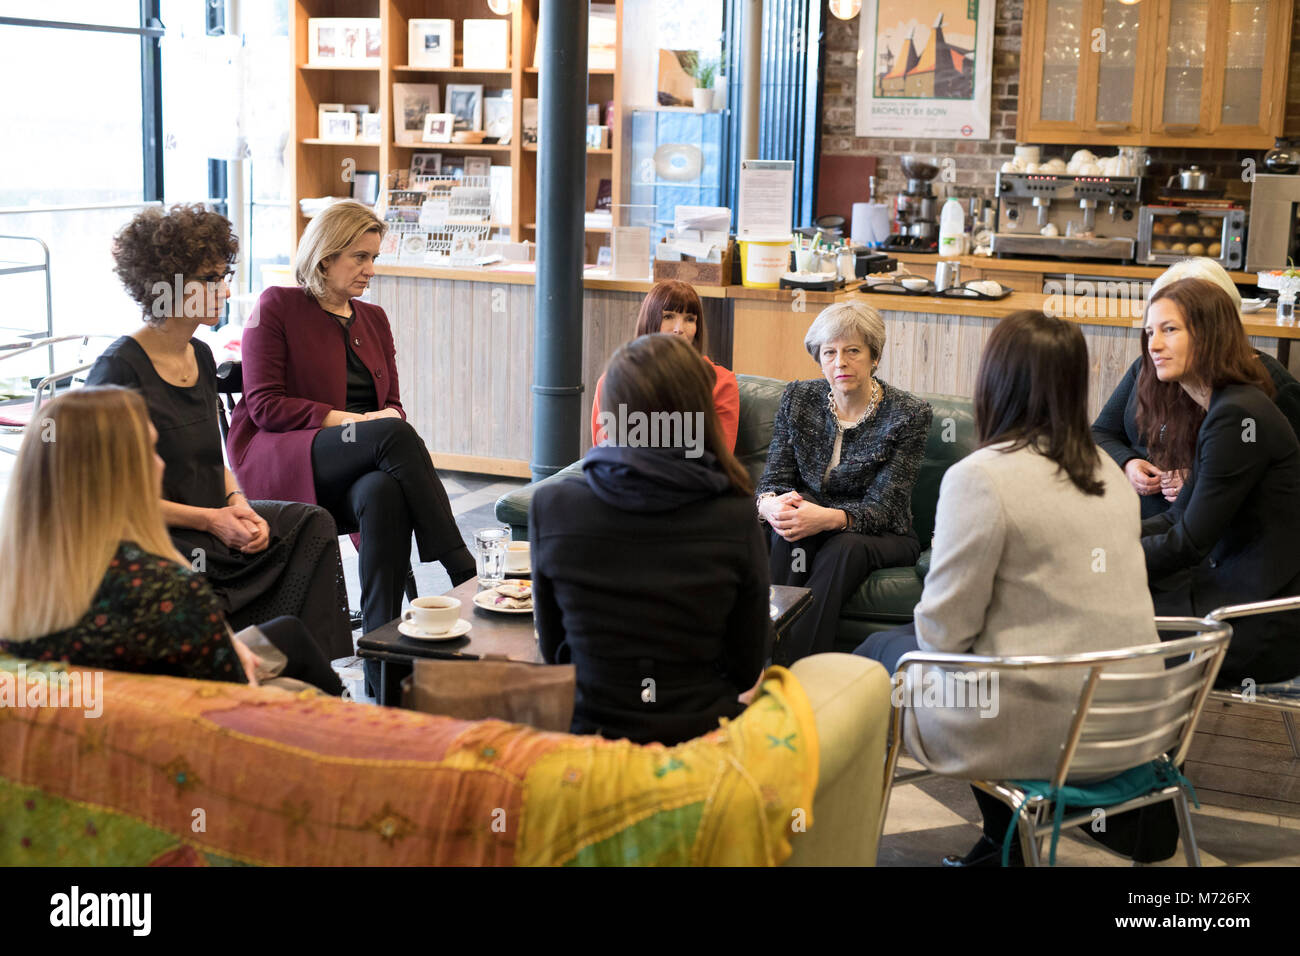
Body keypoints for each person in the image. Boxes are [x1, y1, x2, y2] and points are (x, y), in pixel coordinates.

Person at [856, 311, 1160, 867]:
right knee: (919, 655)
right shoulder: (1110, 475)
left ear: (992, 380)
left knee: (874, 659)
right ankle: (1001, 846)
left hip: (1043, 728)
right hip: (1133, 726)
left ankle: (844, 844)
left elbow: (943, 635)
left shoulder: (982, 477)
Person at [86, 204, 352, 662]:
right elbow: (109, 501)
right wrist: (213, 521)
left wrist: (238, 504)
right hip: (161, 534)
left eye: (222, 275)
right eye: (210, 279)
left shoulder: (202, 356)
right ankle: (255, 663)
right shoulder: (119, 370)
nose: (225, 289)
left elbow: (214, 458)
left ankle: (301, 668)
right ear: (166, 285)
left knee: (312, 523)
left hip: (215, 521)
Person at [227, 199, 475, 637]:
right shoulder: (277, 306)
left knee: (382, 491)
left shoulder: (374, 319)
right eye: (360, 257)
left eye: (374, 257)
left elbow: (394, 403)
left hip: (362, 459)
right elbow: (265, 406)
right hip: (286, 454)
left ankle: (382, 649)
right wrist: (355, 422)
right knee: (391, 435)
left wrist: (381, 419)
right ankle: (463, 568)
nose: (371, 269)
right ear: (325, 258)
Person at [0, 388, 341, 694]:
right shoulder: (162, 589)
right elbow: (234, 697)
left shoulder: (16, 580)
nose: (161, 464)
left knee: (287, 634)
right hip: (187, 738)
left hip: (73, 739)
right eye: (149, 451)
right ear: (115, 476)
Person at [530, 334, 770, 746]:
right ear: (698, 411)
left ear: (611, 412)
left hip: (591, 741)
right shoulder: (733, 509)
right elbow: (747, 666)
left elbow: (554, 652)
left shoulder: (553, 504)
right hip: (700, 745)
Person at [1139, 278, 1300, 686]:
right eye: (1150, 332)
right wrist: (1105, 538)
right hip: (1236, 594)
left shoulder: (1236, 416)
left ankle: (1138, 747)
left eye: (1169, 329)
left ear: (1210, 334)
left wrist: (1107, 561)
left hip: (1256, 619)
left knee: (1103, 621)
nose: (1154, 345)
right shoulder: (1229, 405)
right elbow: (1177, 518)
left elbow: (1189, 543)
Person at [756, 301, 931, 664]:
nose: (841, 362)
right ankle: (758, 662)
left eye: (853, 351)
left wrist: (827, 517)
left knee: (843, 548)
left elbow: (887, 506)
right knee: (788, 528)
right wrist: (769, 504)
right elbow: (773, 479)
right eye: (830, 352)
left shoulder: (908, 414)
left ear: (874, 357)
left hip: (882, 534)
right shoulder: (799, 398)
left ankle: (795, 671)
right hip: (809, 524)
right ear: (819, 358)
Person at [1092, 258, 1300, 519]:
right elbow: (1101, 431)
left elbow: (1279, 482)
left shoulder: (1268, 387)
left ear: (1217, 323)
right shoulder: (1150, 368)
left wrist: (1205, 478)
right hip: (1135, 514)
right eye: (1154, 328)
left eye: (1171, 327)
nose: (1155, 344)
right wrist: (1127, 462)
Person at [590, 279, 740, 451]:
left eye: (689, 319)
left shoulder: (720, 383)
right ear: (649, 322)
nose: (679, 329)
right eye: (668, 316)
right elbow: (605, 454)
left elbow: (718, 459)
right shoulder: (614, 380)